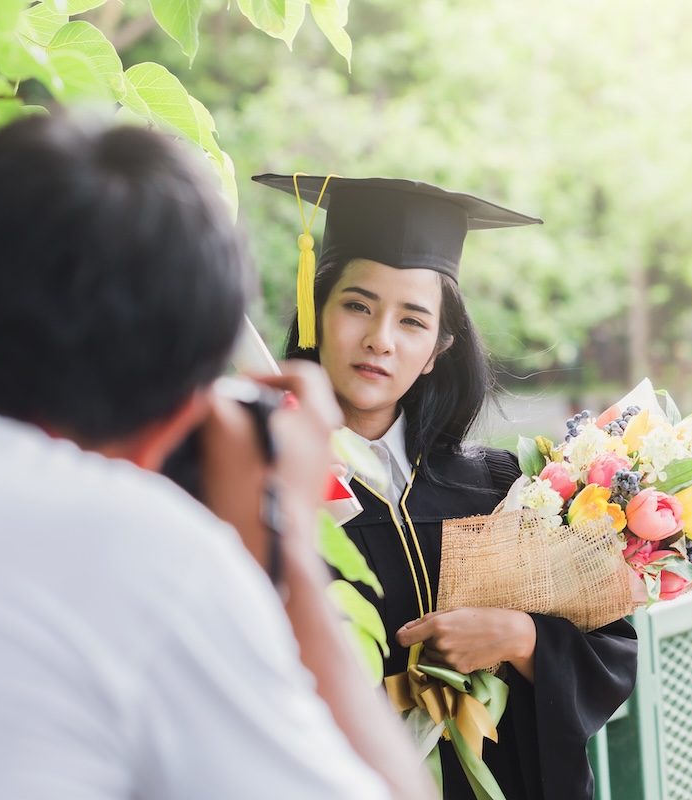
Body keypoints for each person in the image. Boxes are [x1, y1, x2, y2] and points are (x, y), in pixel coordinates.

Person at [0, 116, 435, 800]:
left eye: (413, 321)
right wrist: (290, 549)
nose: (381, 341)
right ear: (181, 413)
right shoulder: (150, 559)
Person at [255, 173, 639, 800]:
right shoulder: (265, 485)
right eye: (357, 305)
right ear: (314, 312)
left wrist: (524, 640)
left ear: (437, 349)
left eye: (412, 321)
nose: (380, 338)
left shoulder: (499, 488)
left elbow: (611, 647)